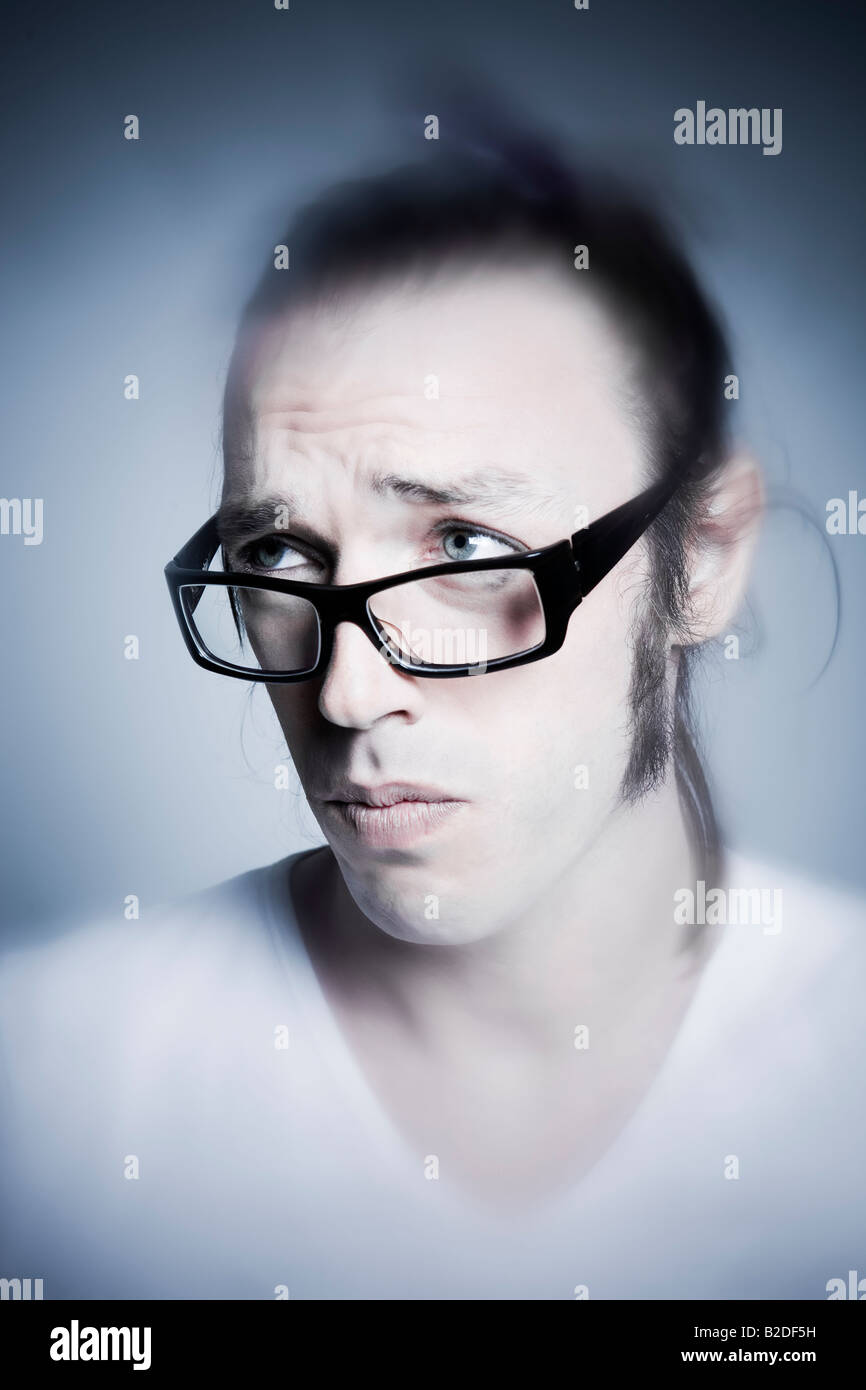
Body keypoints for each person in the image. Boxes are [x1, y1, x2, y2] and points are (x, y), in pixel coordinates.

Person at [1, 118, 864, 1301]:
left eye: (465, 542)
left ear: (702, 554)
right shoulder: (46, 1097)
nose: (347, 694)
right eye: (281, 553)